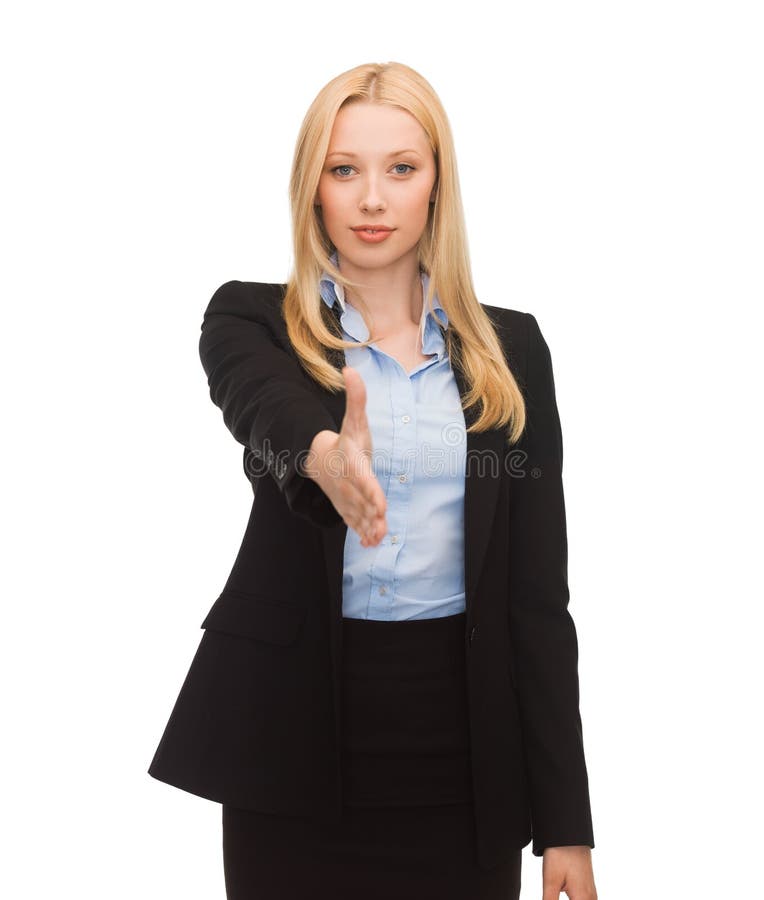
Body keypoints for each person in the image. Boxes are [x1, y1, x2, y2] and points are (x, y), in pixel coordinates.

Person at [148, 61, 598, 900]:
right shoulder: (252, 319)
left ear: (436, 185)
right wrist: (321, 455)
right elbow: (260, 401)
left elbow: (537, 601)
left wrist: (565, 823)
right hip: (290, 741)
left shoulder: (512, 350)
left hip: (464, 756)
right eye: (343, 169)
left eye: (401, 168)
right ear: (311, 187)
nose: (371, 199)